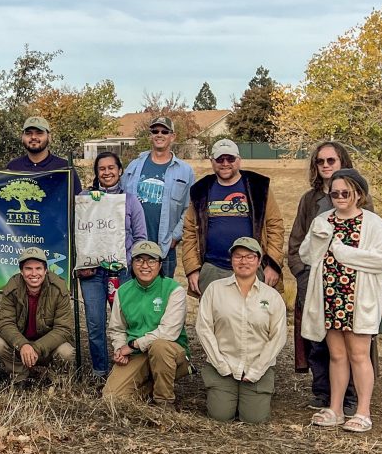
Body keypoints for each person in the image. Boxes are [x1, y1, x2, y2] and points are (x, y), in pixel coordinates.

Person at [300, 169, 382, 433]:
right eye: (335, 193)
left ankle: (363, 411)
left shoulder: (373, 223)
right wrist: (320, 239)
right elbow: (307, 255)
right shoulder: (323, 220)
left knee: (359, 355)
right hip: (330, 298)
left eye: (346, 193)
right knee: (337, 355)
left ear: (358, 194)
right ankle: (336, 409)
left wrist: (344, 253)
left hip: (357, 298)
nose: (340, 197)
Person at [287, 141, 370, 413]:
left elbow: (370, 243)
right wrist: (302, 275)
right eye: (320, 161)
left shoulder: (360, 199)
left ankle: (352, 397)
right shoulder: (310, 200)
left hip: (349, 283)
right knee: (318, 342)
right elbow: (296, 243)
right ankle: (323, 392)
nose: (325, 166)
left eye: (331, 161)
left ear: (342, 161)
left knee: (351, 342)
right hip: (314, 281)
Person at [196, 237, 287, 423]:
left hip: (256, 369)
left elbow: (278, 337)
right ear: (231, 260)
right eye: (238, 256)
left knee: (254, 419)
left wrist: (256, 370)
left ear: (259, 261)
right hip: (223, 367)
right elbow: (204, 329)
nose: (243, 261)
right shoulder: (215, 290)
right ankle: (224, 394)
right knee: (220, 416)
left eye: (250, 256)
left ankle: (250, 397)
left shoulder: (272, 296)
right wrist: (221, 365)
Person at [181, 138, 284, 298]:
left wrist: (272, 264)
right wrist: (192, 269)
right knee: (214, 320)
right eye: (220, 159)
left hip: (252, 267)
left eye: (230, 158)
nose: (225, 163)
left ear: (239, 160)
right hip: (213, 269)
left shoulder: (258, 187)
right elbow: (189, 232)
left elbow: (274, 226)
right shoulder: (201, 190)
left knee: (253, 319)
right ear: (212, 161)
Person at [77, 151, 147, 379]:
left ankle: (125, 370)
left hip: (122, 273)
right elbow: (78, 234)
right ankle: (99, 371)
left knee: (125, 322)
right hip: (92, 273)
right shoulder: (86, 198)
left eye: (111, 168)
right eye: (101, 169)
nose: (106, 172)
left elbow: (140, 238)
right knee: (95, 324)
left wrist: (132, 264)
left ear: (120, 171)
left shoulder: (130, 200)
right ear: (96, 173)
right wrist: (81, 264)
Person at [102, 241, 190, 403]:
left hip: (168, 350)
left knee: (159, 346)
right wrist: (120, 349)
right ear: (132, 263)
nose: (145, 265)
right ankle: (149, 387)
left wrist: (132, 345)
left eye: (151, 260)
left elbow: (168, 332)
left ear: (160, 264)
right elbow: (117, 328)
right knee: (111, 398)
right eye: (139, 260)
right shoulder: (122, 292)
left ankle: (163, 402)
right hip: (136, 354)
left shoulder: (174, 290)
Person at [121, 115, 195, 279]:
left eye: (164, 131)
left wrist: (175, 237)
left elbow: (189, 208)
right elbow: (121, 199)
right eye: (155, 131)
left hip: (164, 247)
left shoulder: (185, 171)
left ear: (172, 136)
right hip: (134, 247)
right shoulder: (134, 165)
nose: (159, 134)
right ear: (150, 135)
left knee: (162, 299)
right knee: (133, 297)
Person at [0, 247, 75, 384]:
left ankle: (56, 380)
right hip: (21, 346)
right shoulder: (12, 287)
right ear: (21, 271)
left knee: (66, 351)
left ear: (45, 270)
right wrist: (23, 345)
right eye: (28, 269)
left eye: (38, 268)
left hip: (48, 347)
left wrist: (36, 348)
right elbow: (5, 324)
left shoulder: (59, 288)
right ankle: (20, 377)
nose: (34, 273)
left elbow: (63, 329)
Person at [5, 116, 81, 194]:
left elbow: (79, 201)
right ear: (22, 138)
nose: (33, 137)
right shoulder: (13, 167)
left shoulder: (64, 168)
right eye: (28, 133)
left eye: (39, 133)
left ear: (49, 137)